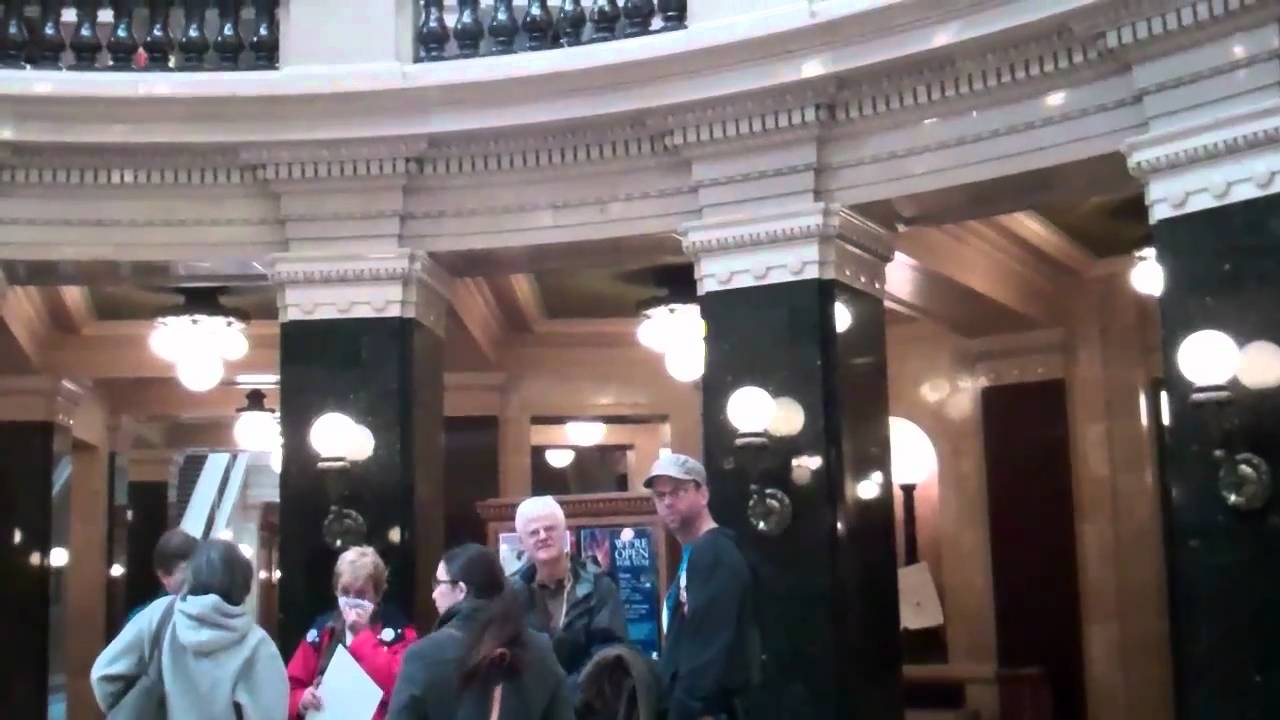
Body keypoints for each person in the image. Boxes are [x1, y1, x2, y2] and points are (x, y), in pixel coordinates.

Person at [91, 539, 288, 719]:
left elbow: (103, 675)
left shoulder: (160, 614)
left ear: (192, 578)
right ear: (245, 586)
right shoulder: (258, 646)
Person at [387, 543, 572, 720]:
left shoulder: (422, 656)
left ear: (460, 590)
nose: (434, 594)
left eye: (438, 583)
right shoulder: (541, 649)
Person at [644, 454, 754, 720]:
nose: (668, 502)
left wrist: (684, 710)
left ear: (703, 494)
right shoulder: (696, 554)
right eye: (660, 496)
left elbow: (706, 651)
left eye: (678, 491)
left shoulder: (712, 553)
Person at [286, 545, 416, 719]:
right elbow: (288, 688)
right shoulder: (322, 631)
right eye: (345, 592)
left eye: (361, 595)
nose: (352, 601)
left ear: (377, 595)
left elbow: (400, 689)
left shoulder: (400, 633)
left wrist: (362, 636)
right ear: (336, 591)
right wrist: (301, 701)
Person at [509, 496, 627, 684]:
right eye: (533, 532)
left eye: (549, 528)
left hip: (587, 702)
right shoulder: (510, 593)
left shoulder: (599, 585)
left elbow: (610, 653)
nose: (542, 536)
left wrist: (569, 691)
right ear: (522, 542)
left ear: (564, 533)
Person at [124, 527, 199, 623]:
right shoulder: (143, 618)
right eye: (186, 575)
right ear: (164, 576)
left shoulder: (209, 609)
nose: (194, 582)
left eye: (197, 572)